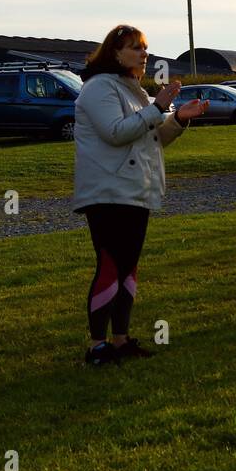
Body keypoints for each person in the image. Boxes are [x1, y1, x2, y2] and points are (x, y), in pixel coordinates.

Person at [73, 24, 207, 366]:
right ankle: (97, 345)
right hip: (108, 192)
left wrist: (177, 118)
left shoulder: (132, 89)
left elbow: (152, 137)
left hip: (135, 190)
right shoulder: (98, 88)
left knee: (128, 268)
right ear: (116, 53)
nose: (144, 55)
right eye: (136, 48)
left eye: (145, 49)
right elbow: (116, 133)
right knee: (110, 265)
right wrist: (157, 106)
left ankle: (120, 340)